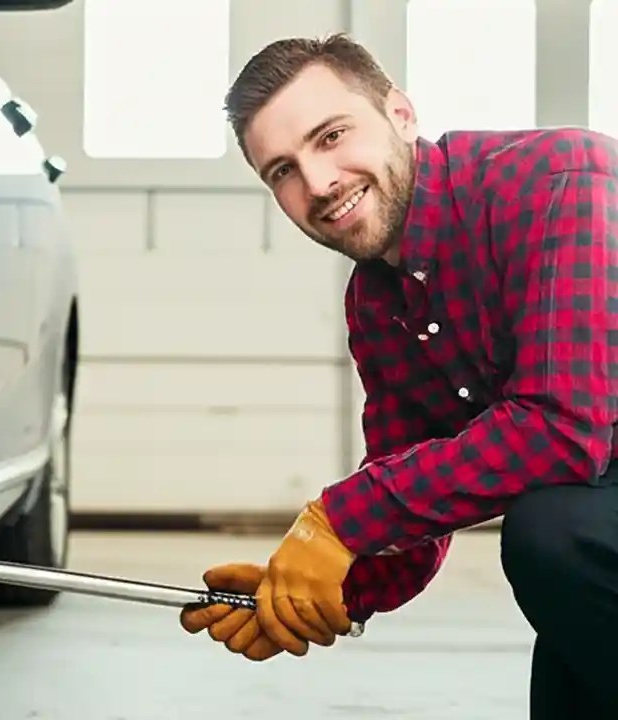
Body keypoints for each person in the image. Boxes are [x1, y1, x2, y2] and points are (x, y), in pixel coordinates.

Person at [177, 33, 618, 716]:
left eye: (331, 137)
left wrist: (338, 521)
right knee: (569, 658)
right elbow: (416, 492)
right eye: (283, 171)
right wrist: (319, 586)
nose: (318, 183)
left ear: (402, 115)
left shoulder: (558, 179)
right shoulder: (377, 301)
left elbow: (562, 431)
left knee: (553, 534)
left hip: (589, 507)